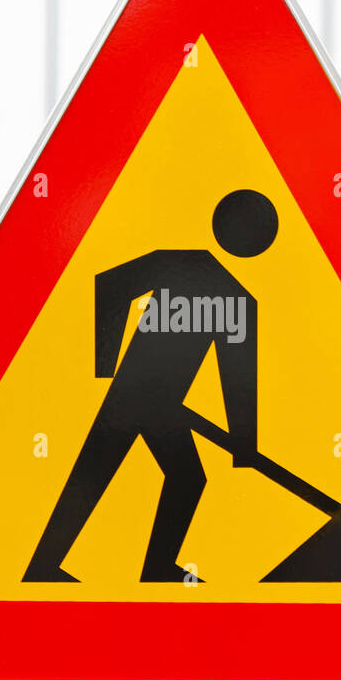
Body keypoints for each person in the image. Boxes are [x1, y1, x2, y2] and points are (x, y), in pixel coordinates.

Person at [23, 189, 278, 582]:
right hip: (140, 398)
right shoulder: (228, 294)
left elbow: (237, 380)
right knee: (111, 474)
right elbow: (107, 287)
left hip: (151, 402)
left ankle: (56, 566)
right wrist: (105, 365)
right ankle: (143, 568)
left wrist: (244, 444)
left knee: (107, 473)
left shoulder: (221, 290)